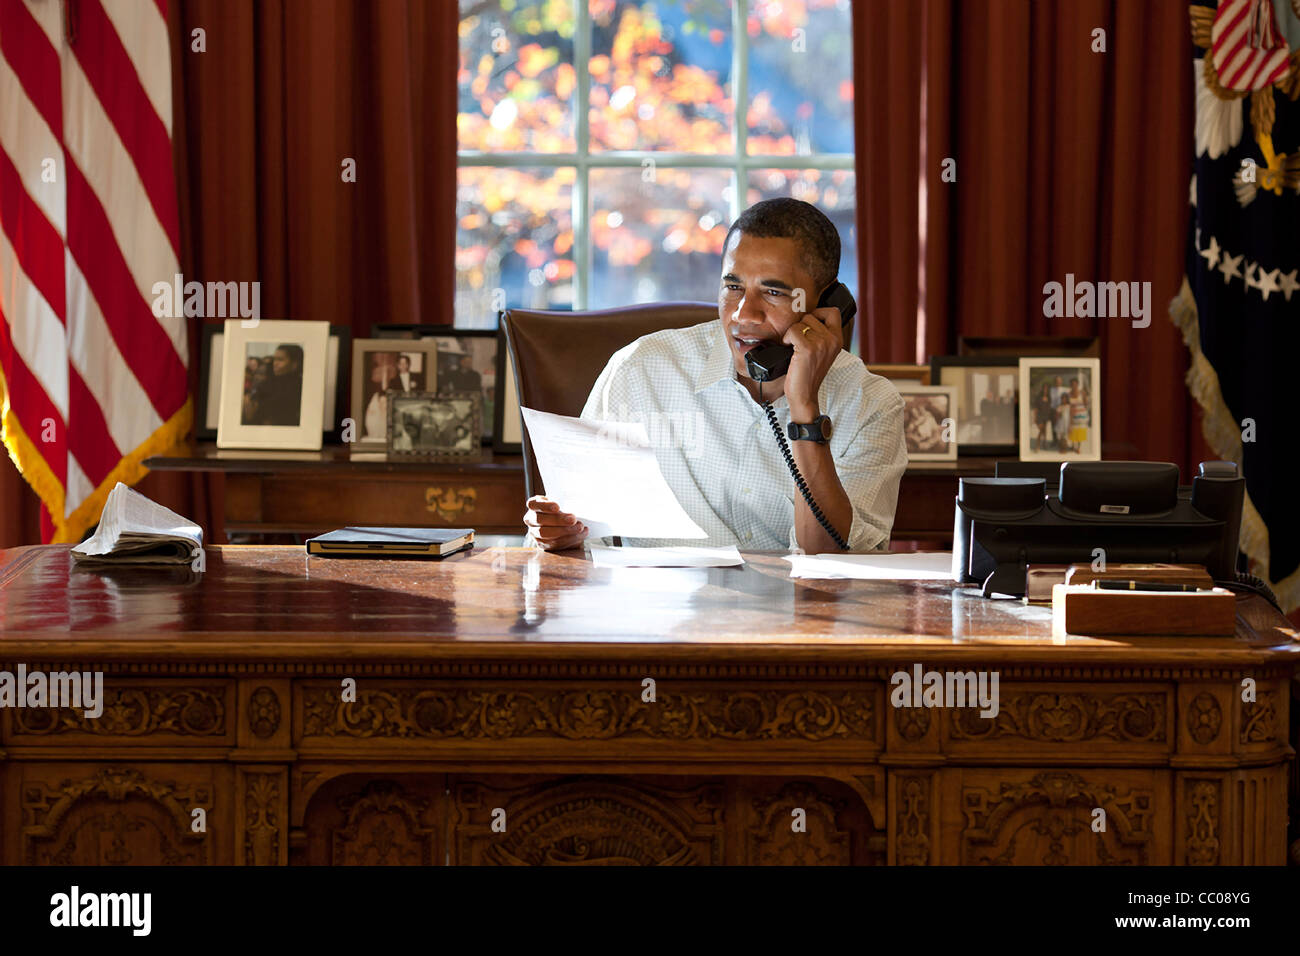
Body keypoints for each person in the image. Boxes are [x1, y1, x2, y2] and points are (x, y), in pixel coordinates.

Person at [522, 197, 907, 554]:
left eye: (773, 292)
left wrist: (804, 407)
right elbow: (566, 542)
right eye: (733, 286)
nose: (744, 314)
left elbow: (832, 567)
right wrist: (559, 534)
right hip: (657, 619)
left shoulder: (871, 405)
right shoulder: (640, 371)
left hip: (793, 623)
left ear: (825, 306)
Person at [1033, 382, 1053, 451]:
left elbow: (1049, 407)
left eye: (1046, 388)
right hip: (1039, 416)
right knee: (1041, 430)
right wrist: (1035, 417)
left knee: (1045, 431)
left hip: (1046, 416)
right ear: (1042, 389)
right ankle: (1037, 446)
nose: (1045, 389)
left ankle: (1044, 444)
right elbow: (1035, 407)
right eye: (1044, 388)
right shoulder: (1039, 397)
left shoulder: (1049, 398)